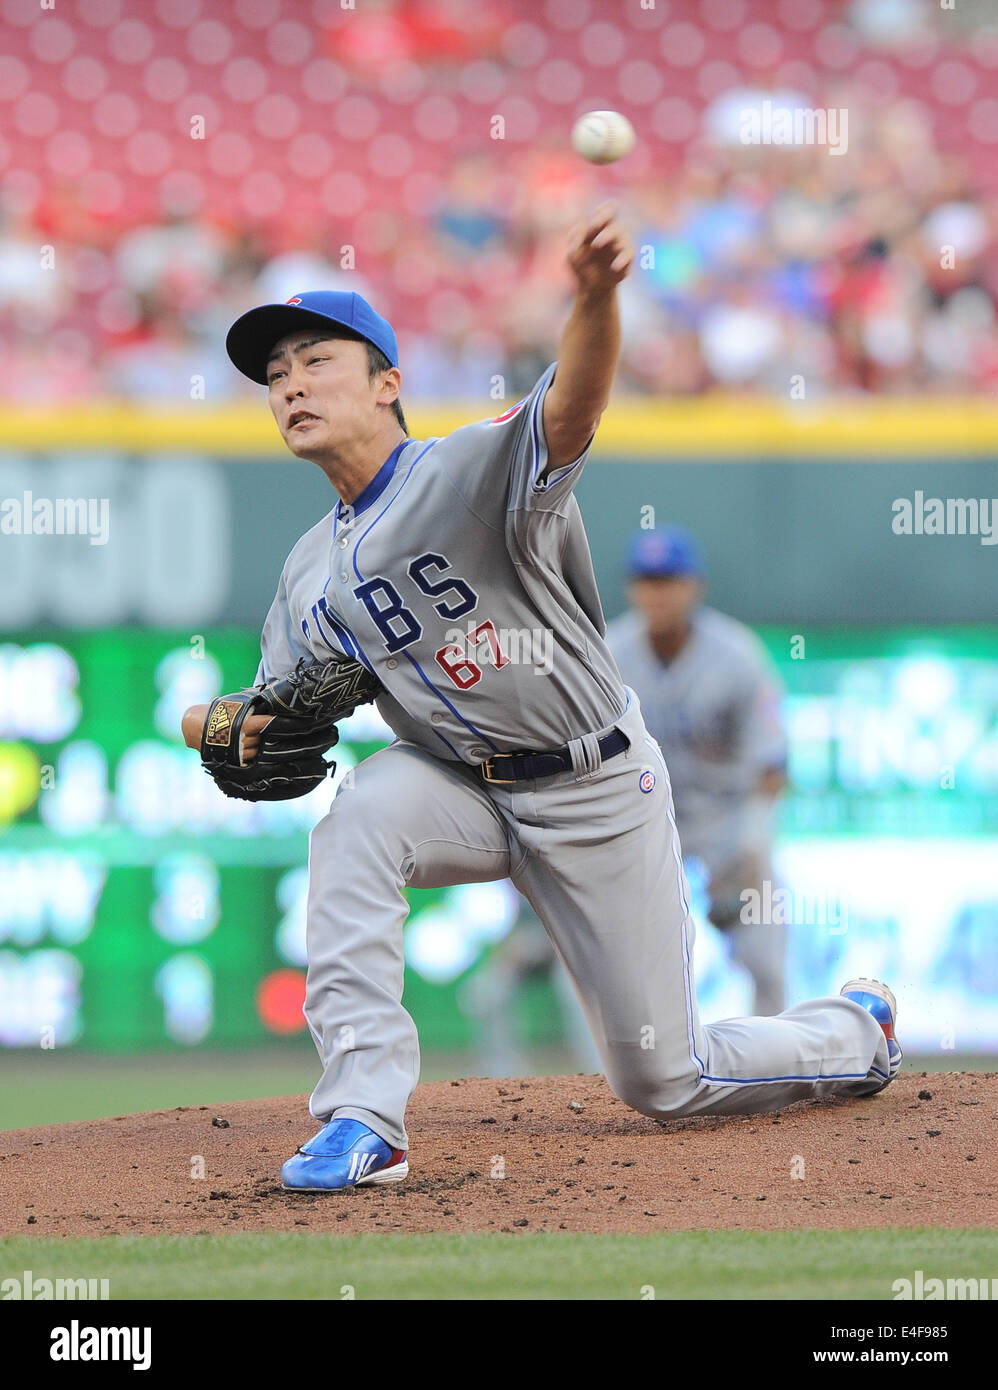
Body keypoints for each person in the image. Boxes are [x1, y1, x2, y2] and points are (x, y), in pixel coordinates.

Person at [182, 202, 901, 1193]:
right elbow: (261, 715)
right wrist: (205, 725)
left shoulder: (467, 471)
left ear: (389, 381)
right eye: (274, 374)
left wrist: (597, 299)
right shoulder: (308, 572)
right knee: (356, 820)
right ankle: (363, 1115)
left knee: (665, 1076)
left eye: (316, 360)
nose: (289, 383)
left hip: (592, 783)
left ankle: (850, 1033)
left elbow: (572, 403)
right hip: (461, 788)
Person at [605, 527, 788, 1015]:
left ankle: (777, 1066)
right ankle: (614, 1081)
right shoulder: (607, 654)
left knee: (764, 957)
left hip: (726, 819)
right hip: (643, 816)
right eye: (646, 580)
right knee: (623, 961)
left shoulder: (737, 654)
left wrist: (752, 839)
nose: (657, 593)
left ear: (694, 587)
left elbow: (772, 760)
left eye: (668, 580)